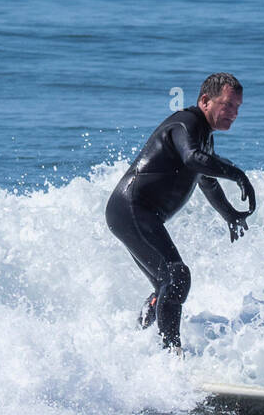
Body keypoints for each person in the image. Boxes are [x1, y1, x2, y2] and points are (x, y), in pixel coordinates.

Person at [105, 73, 255, 350]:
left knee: (166, 285)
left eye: (238, 107)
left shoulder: (204, 137)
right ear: (205, 101)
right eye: (228, 105)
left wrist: (230, 214)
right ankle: (171, 354)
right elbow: (192, 159)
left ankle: (133, 344)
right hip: (131, 208)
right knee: (177, 276)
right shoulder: (186, 124)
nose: (234, 113)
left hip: (135, 212)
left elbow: (206, 181)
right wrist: (237, 174)